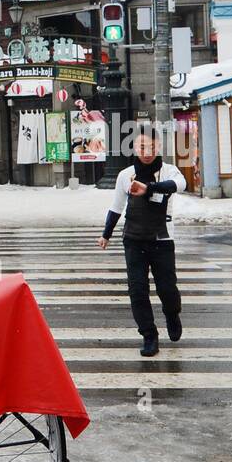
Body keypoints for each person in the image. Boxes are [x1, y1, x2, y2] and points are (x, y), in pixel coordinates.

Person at [97, 133, 186, 357]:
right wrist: (106, 234)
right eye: (142, 146)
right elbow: (116, 207)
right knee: (137, 290)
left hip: (162, 239)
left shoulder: (169, 170)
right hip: (134, 239)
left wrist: (150, 188)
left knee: (167, 289)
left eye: (151, 147)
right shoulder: (126, 176)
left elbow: (179, 184)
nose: (147, 152)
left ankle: (172, 314)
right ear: (135, 148)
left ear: (158, 147)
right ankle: (149, 335)